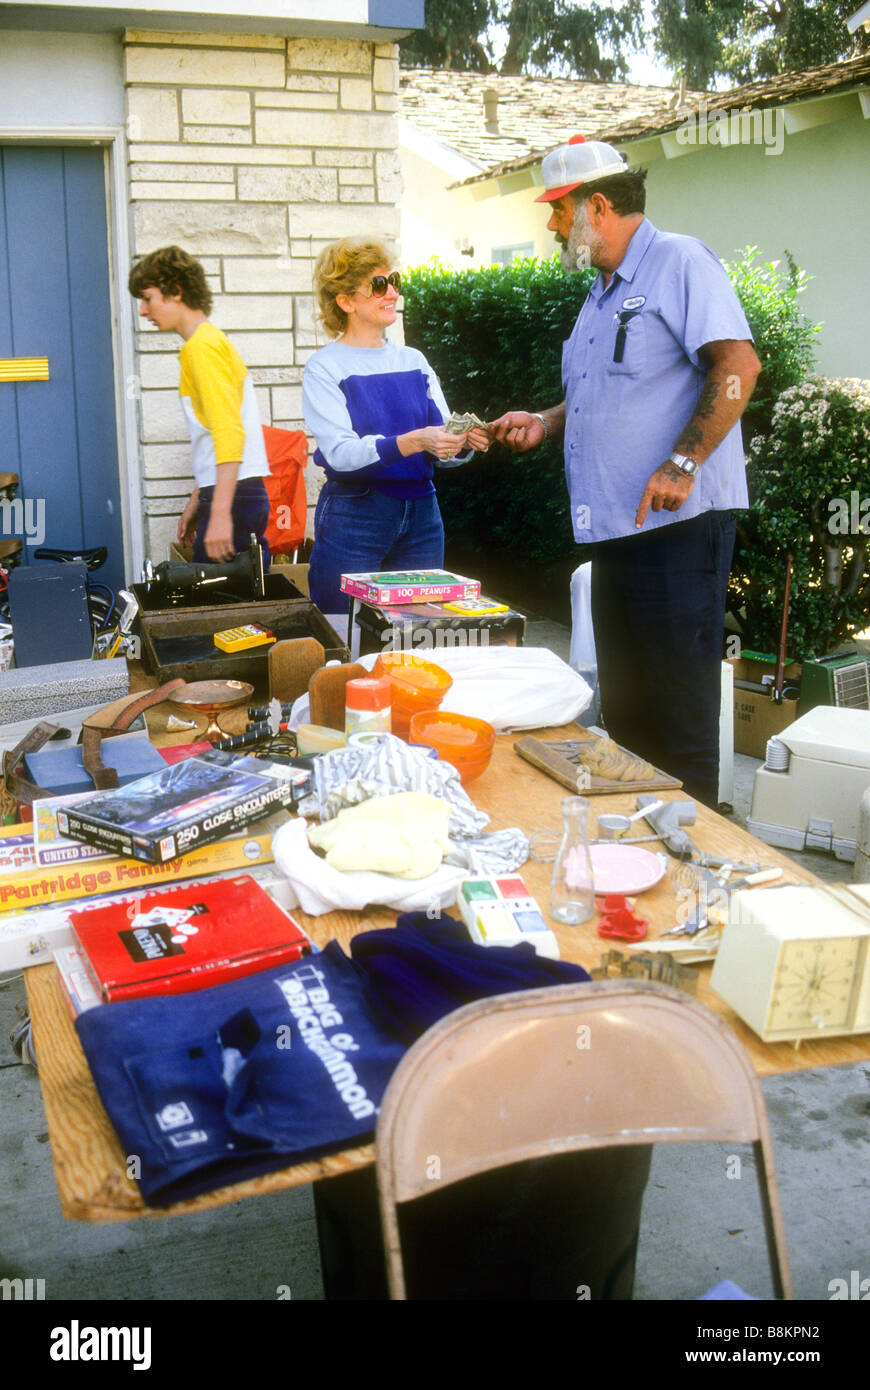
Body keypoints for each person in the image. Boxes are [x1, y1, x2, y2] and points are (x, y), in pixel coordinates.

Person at [490, 137, 761, 806]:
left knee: (680, 717)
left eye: (557, 210)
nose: (552, 226)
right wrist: (547, 421)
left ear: (597, 205)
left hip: (676, 532)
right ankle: (642, 849)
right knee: (631, 717)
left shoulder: (678, 261)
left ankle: (695, 853)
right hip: (616, 533)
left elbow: (738, 366)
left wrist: (683, 459)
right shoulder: (600, 293)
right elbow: (601, 395)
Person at [302, 238, 489, 615]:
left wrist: (465, 442)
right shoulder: (324, 367)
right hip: (356, 514)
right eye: (377, 285)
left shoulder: (414, 359)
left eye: (394, 281)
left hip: (422, 511)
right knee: (345, 630)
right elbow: (340, 454)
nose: (392, 293)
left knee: (420, 630)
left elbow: (444, 439)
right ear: (345, 301)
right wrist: (415, 440)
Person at [129, 246, 269, 565]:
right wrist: (199, 497)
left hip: (234, 498)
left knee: (220, 611)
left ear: (176, 291)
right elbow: (217, 432)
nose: (142, 311)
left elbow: (230, 433)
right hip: (236, 494)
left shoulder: (201, 349)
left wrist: (219, 514)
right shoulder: (209, 342)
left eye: (148, 298)